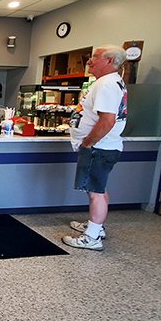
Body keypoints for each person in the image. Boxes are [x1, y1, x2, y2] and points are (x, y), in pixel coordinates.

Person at [62, 45, 128, 251]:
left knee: (94, 192)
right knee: (98, 187)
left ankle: (92, 237)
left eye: (95, 57)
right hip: (104, 147)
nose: (89, 61)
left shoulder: (107, 84)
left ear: (110, 61)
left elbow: (107, 120)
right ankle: (95, 226)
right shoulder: (111, 81)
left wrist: (88, 142)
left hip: (99, 147)